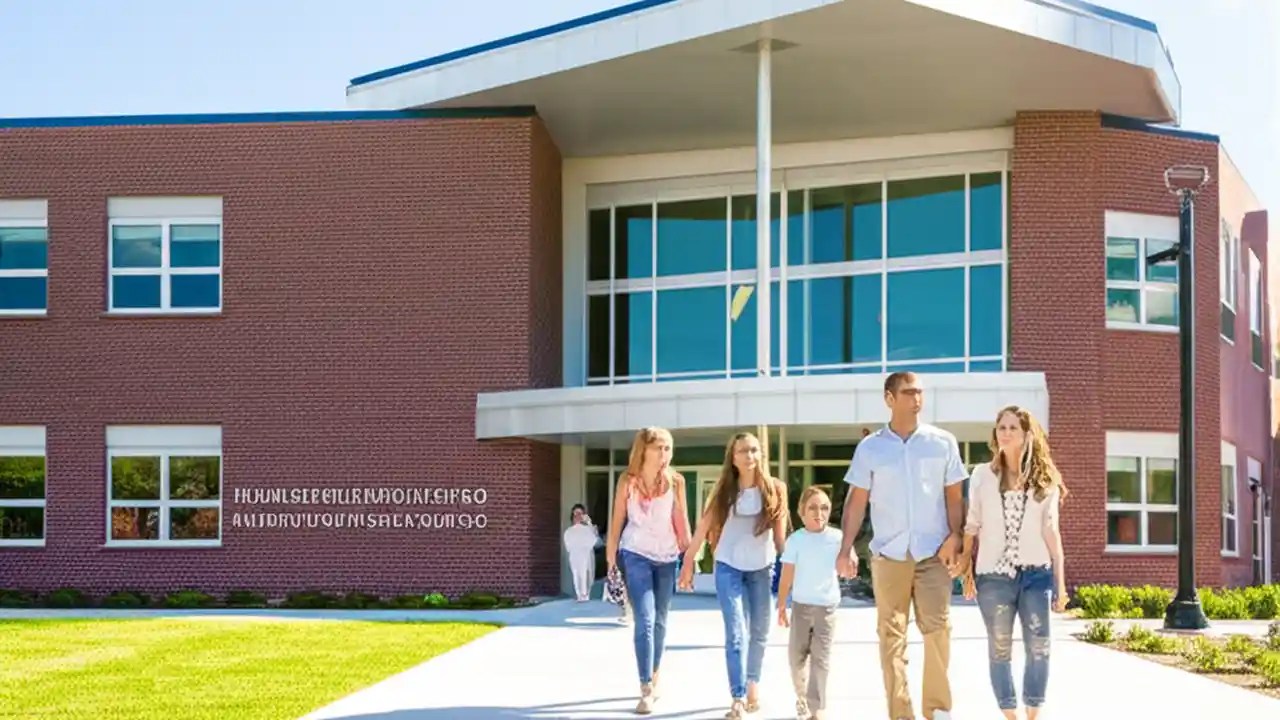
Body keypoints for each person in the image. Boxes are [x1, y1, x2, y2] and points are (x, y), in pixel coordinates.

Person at [837, 371, 967, 720]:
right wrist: (846, 546)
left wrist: (957, 536)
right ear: (889, 399)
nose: (917, 399)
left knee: (938, 629)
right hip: (889, 555)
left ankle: (937, 709)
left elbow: (954, 496)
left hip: (933, 553)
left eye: (920, 392)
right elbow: (856, 502)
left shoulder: (943, 442)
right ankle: (901, 713)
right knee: (891, 636)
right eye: (909, 393)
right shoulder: (871, 448)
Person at [960, 406, 1069, 720]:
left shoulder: (1045, 481)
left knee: (1039, 646)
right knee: (1000, 648)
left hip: (1036, 575)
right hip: (993, 577)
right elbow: (972, 525)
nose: (1005, 433)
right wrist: (967, 568)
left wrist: (1060, 584)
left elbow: (1052, 533)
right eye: (1001, 427)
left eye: (1012, 428)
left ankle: (1033, 713)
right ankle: (1010, 715)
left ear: (1027, 435)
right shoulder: (981, 475)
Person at [679, 432, 787, 720]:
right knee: (736, 632)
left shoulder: (775, 489)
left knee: (760, 632)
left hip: (762, 569)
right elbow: (703, 528)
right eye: (743, 451)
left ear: (760, 454)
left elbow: (780, 540)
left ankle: (754, 683)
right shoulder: (725, 490)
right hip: (728, 567)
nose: (749, 456)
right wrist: (688, 560)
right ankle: (737, 696)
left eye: (754, 450)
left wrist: (791, 573)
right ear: (733, 457)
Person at [606, 426, 690, 715]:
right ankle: (645, 688)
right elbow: (617, 518)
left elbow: (682, 520)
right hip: (635, 554)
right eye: (659, 448)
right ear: (644, 450)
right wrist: (610, 556)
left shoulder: (676, 481)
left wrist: (688, 559)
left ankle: (655, 676)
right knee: (644, 617)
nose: (664, 454)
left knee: (661, 621)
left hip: (667, 557)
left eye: (668, 448)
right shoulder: (627, 481)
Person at [777, 486, 843, 720]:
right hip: (801, 607)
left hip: (827, 608)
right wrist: (782, 605)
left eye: (824, 508)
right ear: (801, 512)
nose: (819, 513)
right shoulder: (796, 541)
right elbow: (787, 574)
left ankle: (817, 708)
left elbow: (848, 558)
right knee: (797, 659)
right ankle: (802, 697)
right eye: (813, 508)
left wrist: (851, 560)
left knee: (820, 659)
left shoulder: (837, 538)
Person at [564, 503, 601, 602]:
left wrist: (589, 524)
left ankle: (586, 595)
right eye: (575, 514)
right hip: (575, 557)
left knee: (587, 577)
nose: (577, 517)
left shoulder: (588, 529)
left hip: (587, 557)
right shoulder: (568, 532)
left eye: (580, 514)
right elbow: (569, 547)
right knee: (577, 575)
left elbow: (596, 541)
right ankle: (579, 596)